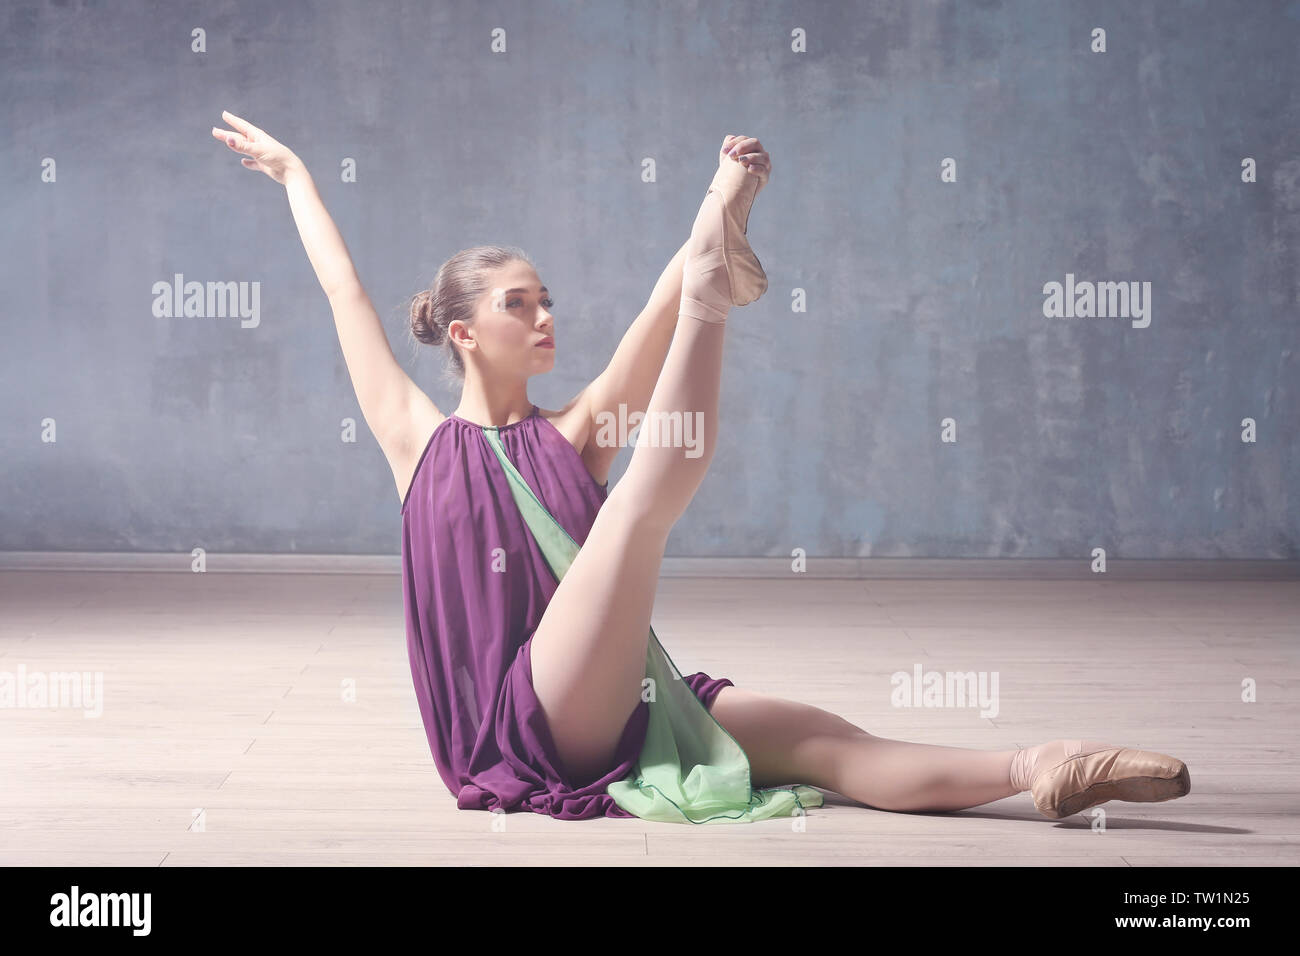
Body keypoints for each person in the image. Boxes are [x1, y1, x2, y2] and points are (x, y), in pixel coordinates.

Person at [211, 110, 1191, 823]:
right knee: (640, 503)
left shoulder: (576, 428)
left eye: (547, 297)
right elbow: (343, 290)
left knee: (830, 742)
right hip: (519, 724)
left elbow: (649, 308)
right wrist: (296, 174)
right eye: (520, 303)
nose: (546, 314)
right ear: (463, 332)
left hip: (618, 692)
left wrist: (720, 206)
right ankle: (718, 290)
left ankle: (1040, 761)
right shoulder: (414, 438)